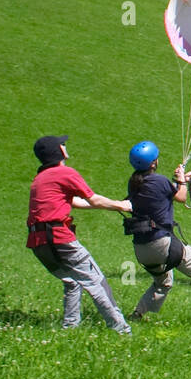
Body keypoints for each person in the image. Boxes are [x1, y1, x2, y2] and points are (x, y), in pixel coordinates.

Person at [26, 135, 132, 334]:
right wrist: (122, 205)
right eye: (63, 144)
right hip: (59, 237)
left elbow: (74, 202)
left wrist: (109, 206)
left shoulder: (40, 178)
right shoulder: (65, 173)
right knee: (96, 281)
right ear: (59, 151)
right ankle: (122, 330)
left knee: (72, 281)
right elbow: (93, 199)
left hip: (38, 242)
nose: (66, 146)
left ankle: (70, 328)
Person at [123, 141, 191, 326]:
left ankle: (137, 315)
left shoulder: (134, 183)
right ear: (153, 163)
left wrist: (182, 180)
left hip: (142, 248)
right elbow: (181, 197)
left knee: (163, 282)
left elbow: (165, 190)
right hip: (162, 244)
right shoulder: (160, 181)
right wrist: (181, 181)